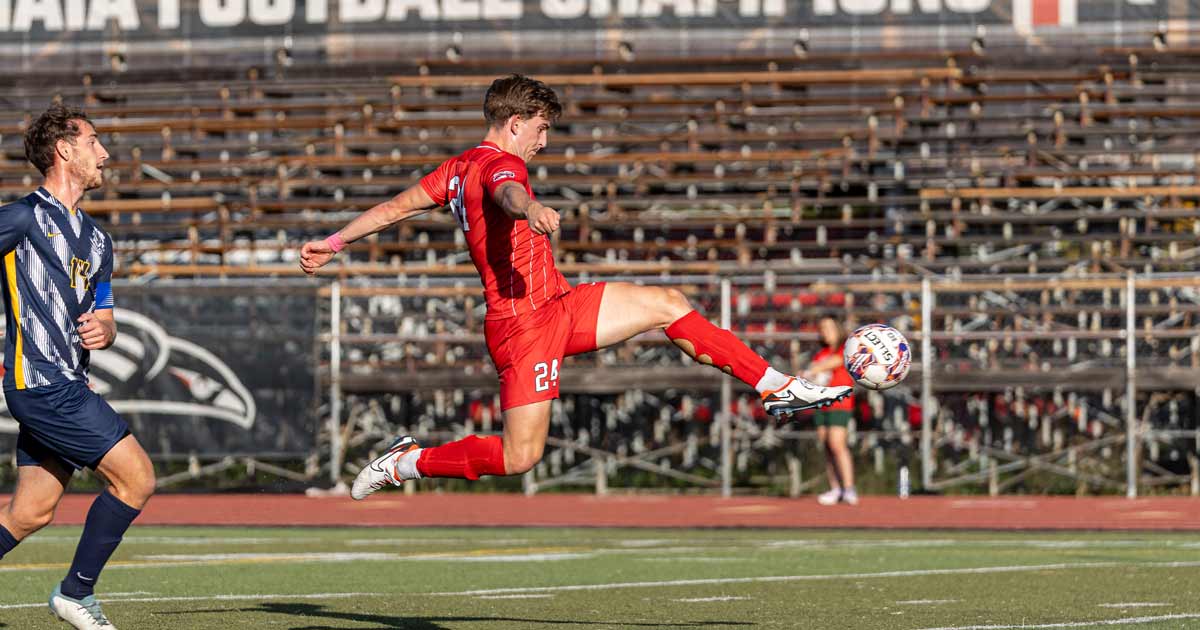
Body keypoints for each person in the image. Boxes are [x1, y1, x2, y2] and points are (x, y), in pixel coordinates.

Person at [298, 75, 851, 499]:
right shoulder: (498, 167)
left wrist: (334, 241)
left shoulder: (456, 168)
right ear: (515, 122)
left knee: (668, 304)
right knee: (520, 456)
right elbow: (510, 194)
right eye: (540, 128)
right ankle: (404, 463)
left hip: (558, 303)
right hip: (522, 327)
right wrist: (531, 206)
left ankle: (776, 384)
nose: (544, 140)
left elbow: (396, 208)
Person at [0, 105, 156, 629]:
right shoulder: (22, 217)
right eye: (93, 141)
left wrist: (105, 330)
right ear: (64, 150)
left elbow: (106, 314)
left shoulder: (97, 240)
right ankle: (75, 593)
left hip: (66, 381)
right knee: (136, 478)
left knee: (29, 513)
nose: (104, 153)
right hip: (43, 385)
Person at [803, 317, 858, 506]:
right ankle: (836, 488)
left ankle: (849, 488)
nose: (824, 332)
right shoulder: (821, 353)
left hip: (839, 403)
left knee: (837, 444)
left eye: (828, 327)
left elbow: (834, 362)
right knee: (826, 445)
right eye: (822, 328)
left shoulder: (845, 349)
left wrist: (813, 370)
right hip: (821, 403)